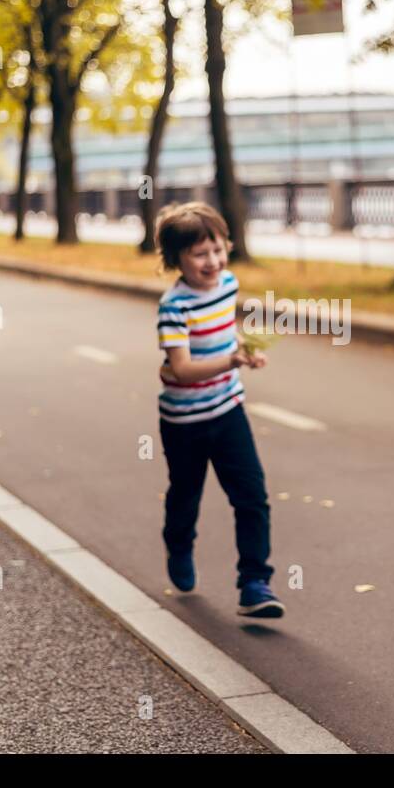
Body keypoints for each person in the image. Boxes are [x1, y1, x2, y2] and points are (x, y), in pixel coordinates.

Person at [154, 202, 283, 618]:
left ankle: (254, 583)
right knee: (186, 495)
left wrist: (245, 353)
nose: (212, 261)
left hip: (228, 409)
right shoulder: (174, 307)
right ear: (177, 260)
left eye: (217, 249)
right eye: (199, 254)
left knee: (252, 497)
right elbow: (183, 369)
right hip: (185, 422)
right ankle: (178, 543)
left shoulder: (228, 284)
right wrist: (231, 361)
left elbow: (226, 337)